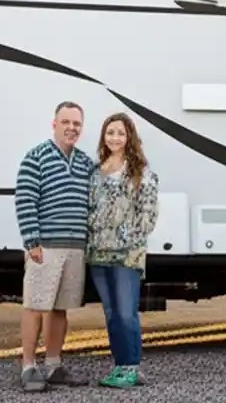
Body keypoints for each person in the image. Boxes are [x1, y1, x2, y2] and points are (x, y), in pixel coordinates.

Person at [14, 100, 95, 392]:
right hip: (45, 246)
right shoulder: (36, 157)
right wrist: (32, 241)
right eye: (66, 122)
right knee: (36, 305)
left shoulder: (86, 163)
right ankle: (27, 367)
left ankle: (53, 365)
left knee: (60, 308)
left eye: (76, 124)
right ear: (54, 124)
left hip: (75, 248)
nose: (71, 128)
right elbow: (25, 200)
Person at [87, 112, 160, 388]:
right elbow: (90, 209)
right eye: (109, 132)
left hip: (127, 255)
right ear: (104, 137)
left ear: (129, 137)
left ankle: (131, 366)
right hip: (98, 254)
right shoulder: (96, 171)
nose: (114, 137)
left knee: (126, 311)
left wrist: (125, 236)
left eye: (119, 132)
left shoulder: (140, 171)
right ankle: (120, 366)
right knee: (110, 312)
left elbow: (148, 216)